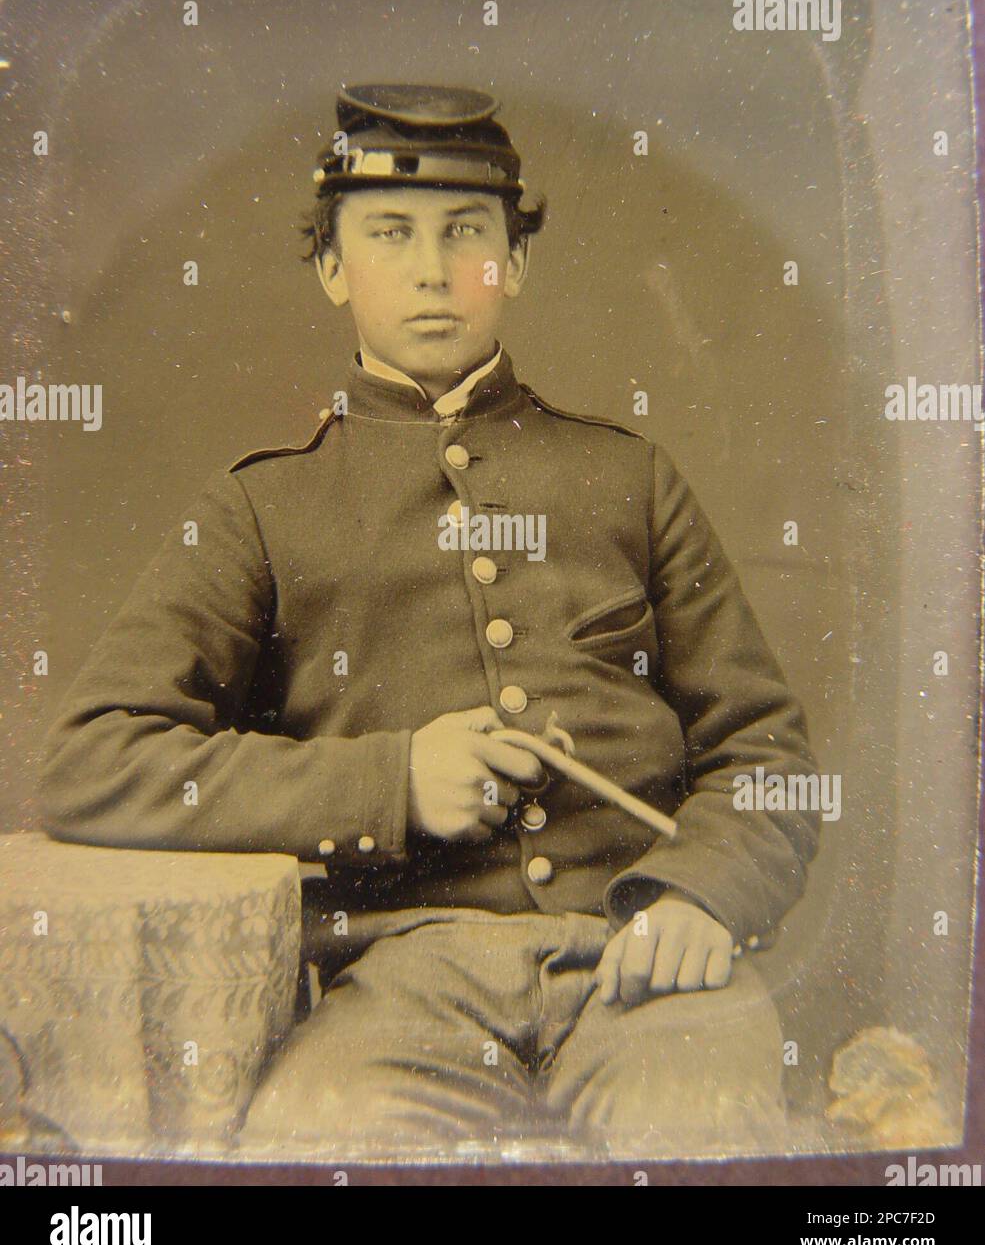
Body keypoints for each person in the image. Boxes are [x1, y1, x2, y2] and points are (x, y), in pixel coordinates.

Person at [40, 83, 820, 1159]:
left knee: (705, 1131)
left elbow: (767, 757)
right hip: (395, 988)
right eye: (389, 235)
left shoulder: (631, 479)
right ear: (330, 270)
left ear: (517, 262)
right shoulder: (260, 509)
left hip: (641, 963)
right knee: (322, 1141)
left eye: (467, 234)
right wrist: (389, 781)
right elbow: (91, 759)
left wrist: (700, 898)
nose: (431, 270)